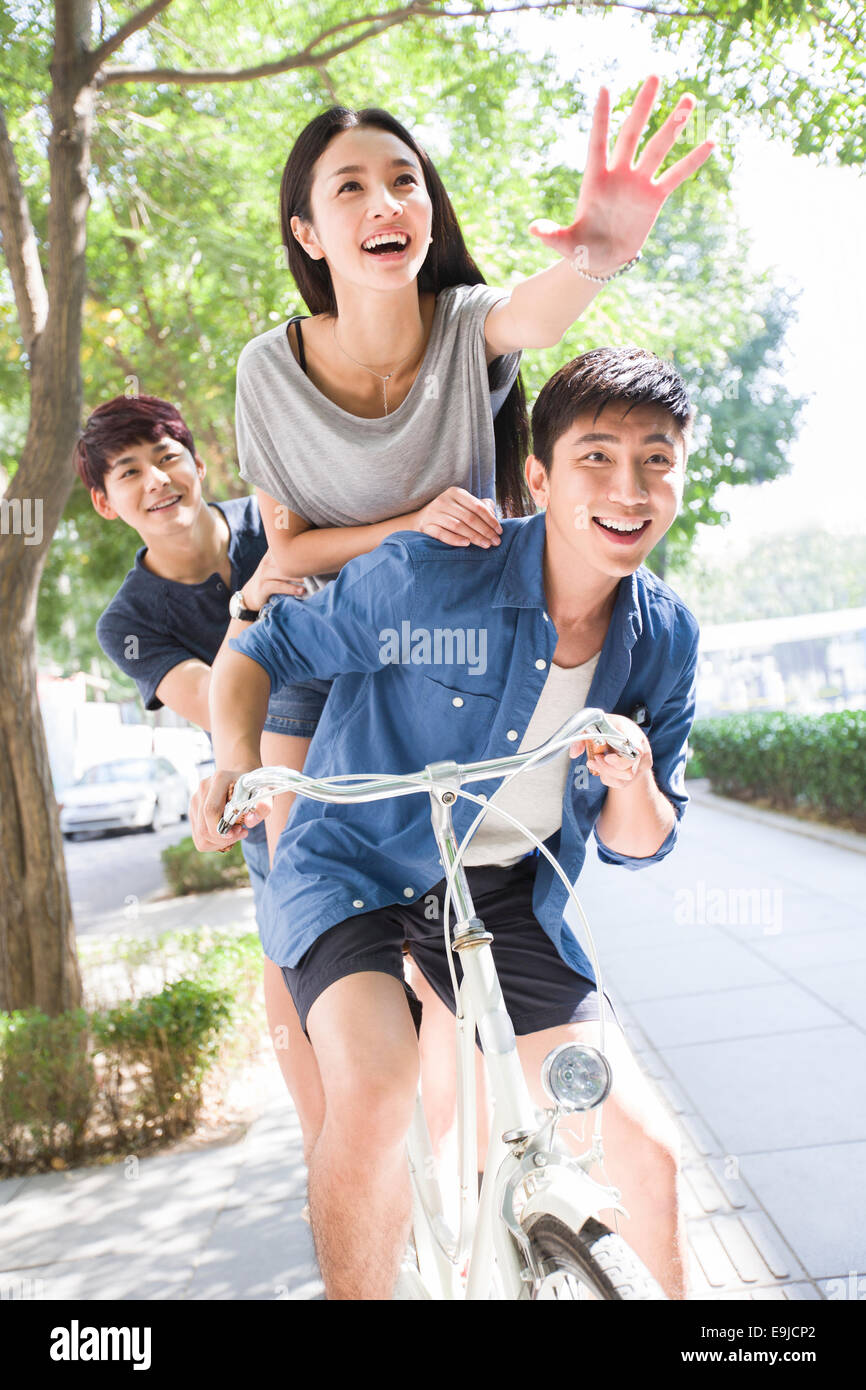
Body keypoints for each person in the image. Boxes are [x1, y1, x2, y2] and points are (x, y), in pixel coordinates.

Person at [224, 76, 712, 1153]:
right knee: (300, 892)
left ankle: (462, 1146)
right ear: (307, 231)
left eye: (404, 180)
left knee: (456, 899)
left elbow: (544, 303)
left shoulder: (465, 328)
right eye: (349, 186)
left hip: (446, 625)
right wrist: (411, 517)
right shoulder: (269, 368)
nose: (384, 201)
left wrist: (601, 248)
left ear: (429, 213)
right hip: (320, 632)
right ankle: (344, 1148)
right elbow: (287, 549)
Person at [191, 346, 702, 1301]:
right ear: (539, 478)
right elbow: (263, 646)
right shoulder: (435, 577)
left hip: (507, 889)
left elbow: (641, 838)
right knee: (380, 1098)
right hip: (354, 865)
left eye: (657, 459)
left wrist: (630, 779)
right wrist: (235, 762)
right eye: (597, 457)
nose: (628, 488)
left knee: (647, 1154)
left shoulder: (663, 634)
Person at [79, 393, 326, 1149]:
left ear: (198, 463)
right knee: (291, 941)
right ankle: (328, 1143)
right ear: (105, 502)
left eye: (167, 457)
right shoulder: (128, 622)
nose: (157, 480)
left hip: (372, 748)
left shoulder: (278, 518)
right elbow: (221, 711)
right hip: (276, 787)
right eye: (129, 471)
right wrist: (245, 612)